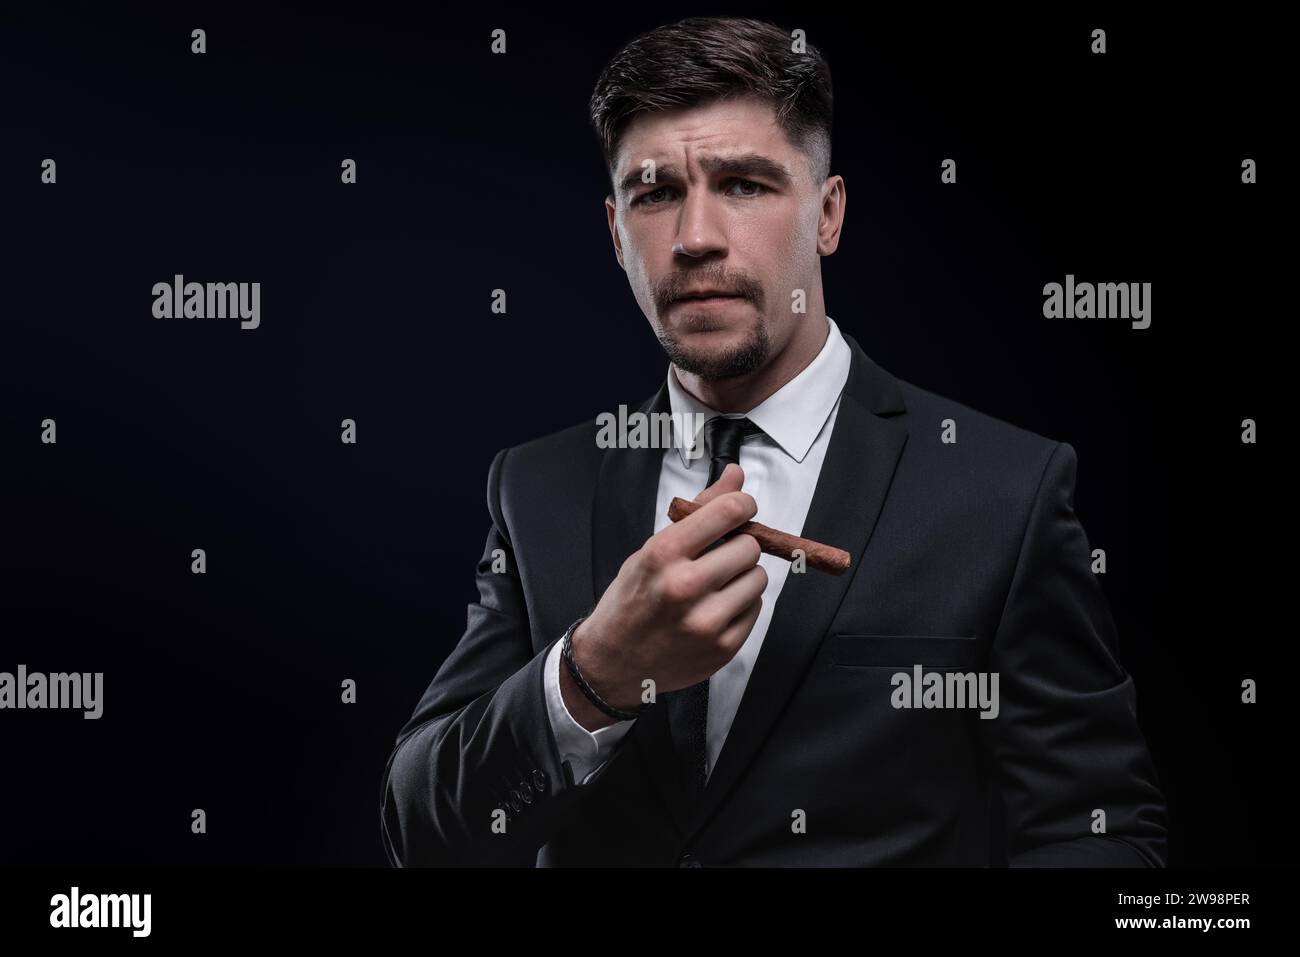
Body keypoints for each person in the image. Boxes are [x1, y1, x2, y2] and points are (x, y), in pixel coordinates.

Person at [379, 15, 1167, 867]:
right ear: (616, 233)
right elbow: (423, 830)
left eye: (746, 184)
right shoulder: (536, 488)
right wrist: (594, 672)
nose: (695, 238)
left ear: (827, 215)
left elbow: (1102, 834)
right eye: (655, 193)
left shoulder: (1004, 491)